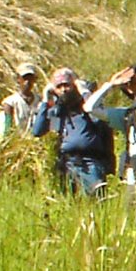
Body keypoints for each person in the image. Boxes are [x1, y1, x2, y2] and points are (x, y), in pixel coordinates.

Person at [30, 66, 116, 195]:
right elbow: (37, 131)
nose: (63, 90)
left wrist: (85, 93)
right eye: (59, 87)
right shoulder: (57, 111)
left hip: (90, 162)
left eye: (67, 85)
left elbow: (99, 120)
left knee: (95, 201)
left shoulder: (87, 107)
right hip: (66, 163)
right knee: (70, 204)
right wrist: (45, 100)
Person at [85, 64, 136, 192]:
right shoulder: (127, 115)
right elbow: (90, 108)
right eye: (133, 83)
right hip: (135, 176)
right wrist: (111, 84)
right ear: (129, 89)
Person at [0, 63, 41, 139]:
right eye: (24, 78)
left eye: (30, 78)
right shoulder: (10, 102)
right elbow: (7, 126)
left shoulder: (39, 100)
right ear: (18, 79)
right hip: (17, 139)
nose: (27, 82)